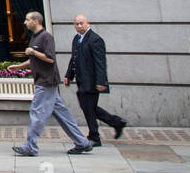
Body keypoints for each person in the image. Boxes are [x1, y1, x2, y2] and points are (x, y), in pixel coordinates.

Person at [7, 11, 93, 156]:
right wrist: (20, 66)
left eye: (27, 20)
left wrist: (33, 52)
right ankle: (82, 142)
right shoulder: (35, 37)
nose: (25, 22)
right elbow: (36, 59)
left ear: (36, 21)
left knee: (37, 112)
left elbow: (50, 58)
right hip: (44, 80)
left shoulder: (46, 37)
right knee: (62, 113)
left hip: (46, 81)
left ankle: (30, 146)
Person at [64, 14, 127, 146]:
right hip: (81, 80)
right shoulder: (77, 39)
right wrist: (68, 75)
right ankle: (116, 122)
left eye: (81, 23)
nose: (79, 26)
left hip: (92, 81)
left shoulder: (95, 39)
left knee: (88, 108)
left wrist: (101, 82)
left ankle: (94, 137)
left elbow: (100, 63)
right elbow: (74, 58)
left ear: (88, 23)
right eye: (76, 24)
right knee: (88, 107)